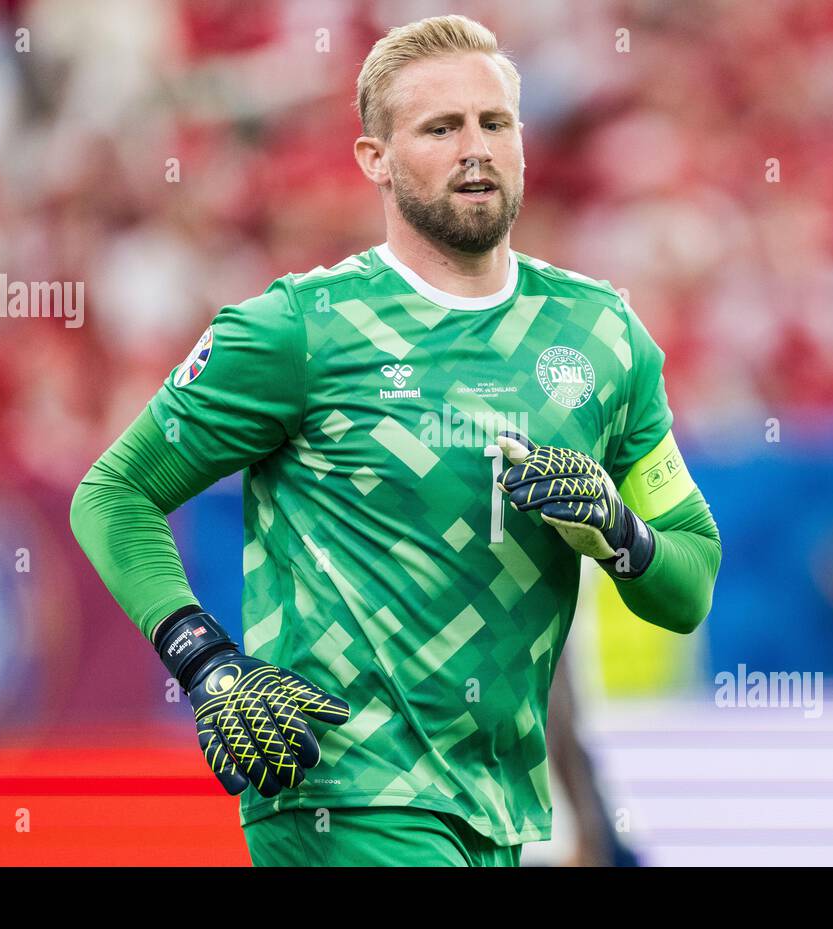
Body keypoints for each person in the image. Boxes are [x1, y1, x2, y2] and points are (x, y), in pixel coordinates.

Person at [70, 14, 721, 867]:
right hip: (341, 790)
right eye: (441, 128)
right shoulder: (297, 332)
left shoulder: (604, 336)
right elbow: (113, 495)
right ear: (374, 160)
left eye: (495, 123)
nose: (475, 148)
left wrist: (621, 533)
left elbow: (692, 576)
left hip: (496, 807)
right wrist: (208, 664)